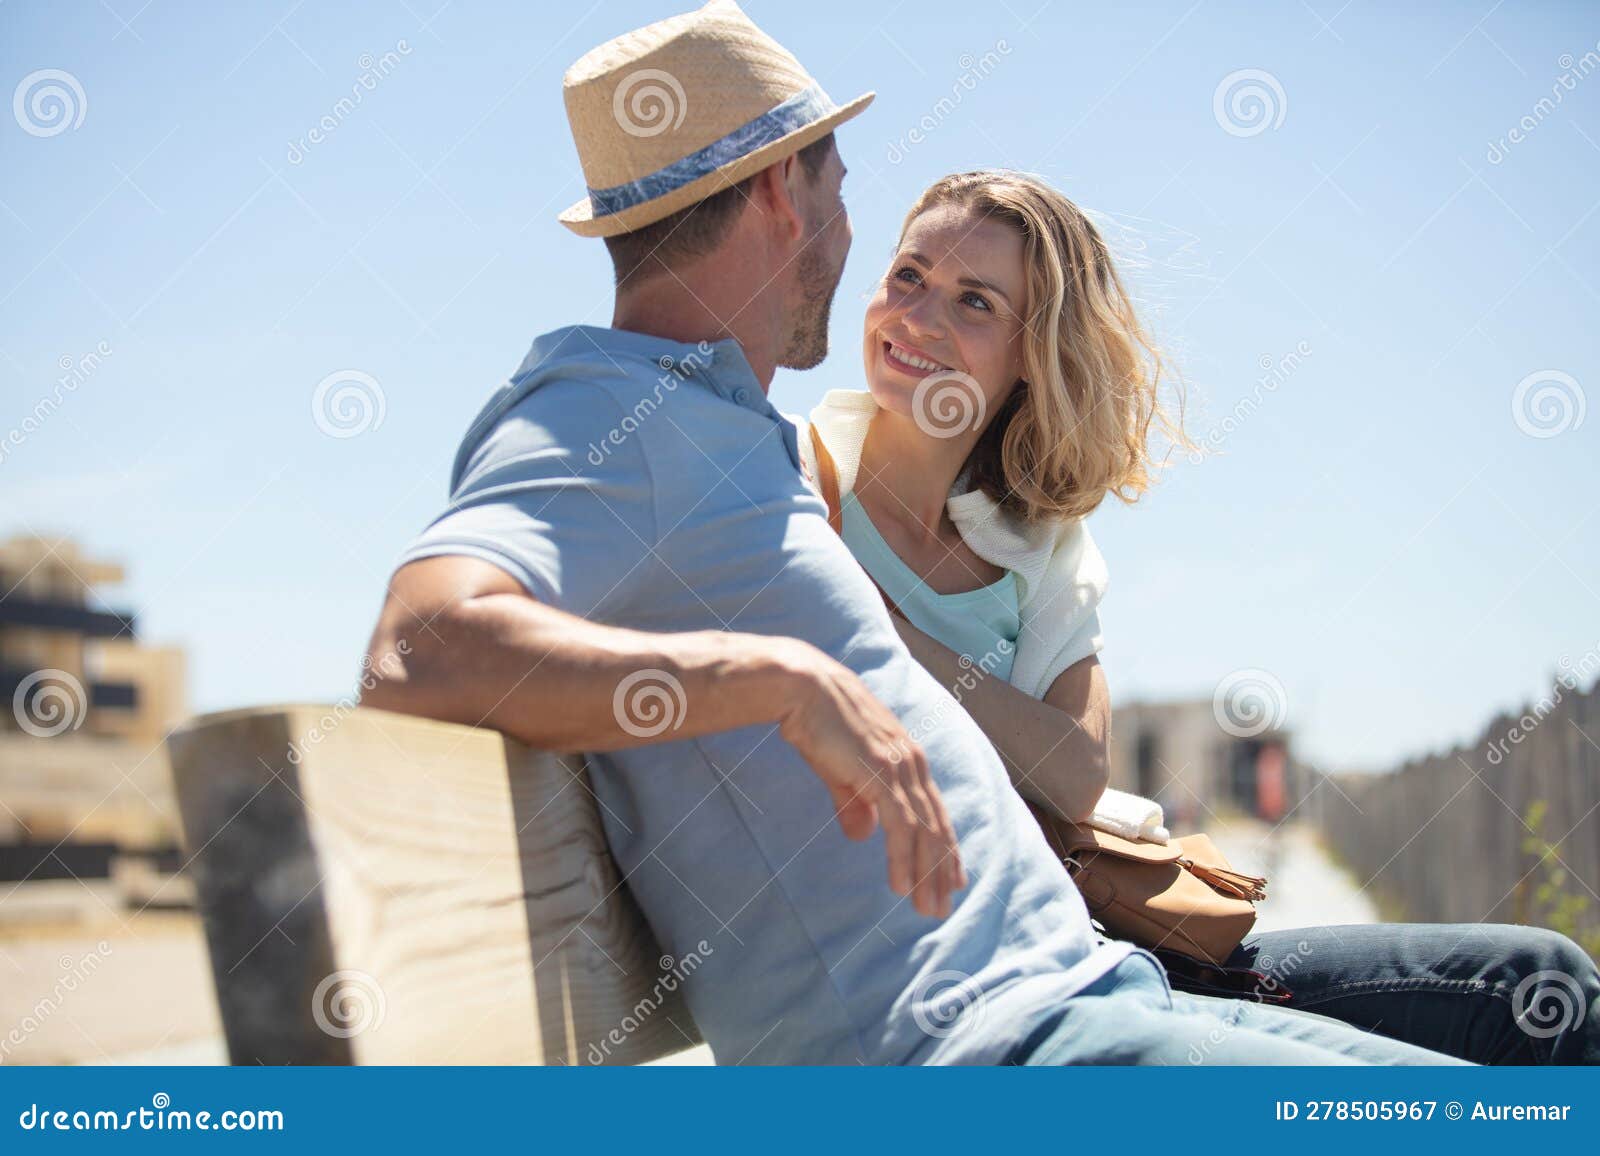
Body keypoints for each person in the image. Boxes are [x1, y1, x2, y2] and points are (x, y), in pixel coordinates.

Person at [360, 0, 1477, 1064]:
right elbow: (417, 648)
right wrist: (779, 677)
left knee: (1548, 1020)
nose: (853, 244)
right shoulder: (609, 405)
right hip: (979, 1051)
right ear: (779, 199)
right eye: (843, 196)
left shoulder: (733, 432)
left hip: (1074, 996)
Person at [795, 167, 1600, 1065]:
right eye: (909, 276)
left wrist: (878, 631)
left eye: (974, 301)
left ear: (1033, 353)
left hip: (1115, 940)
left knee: (1545, 982)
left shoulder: (1040, 546)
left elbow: (1073, 775)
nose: (921, 316)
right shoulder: (793, 484)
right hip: (979, 986)